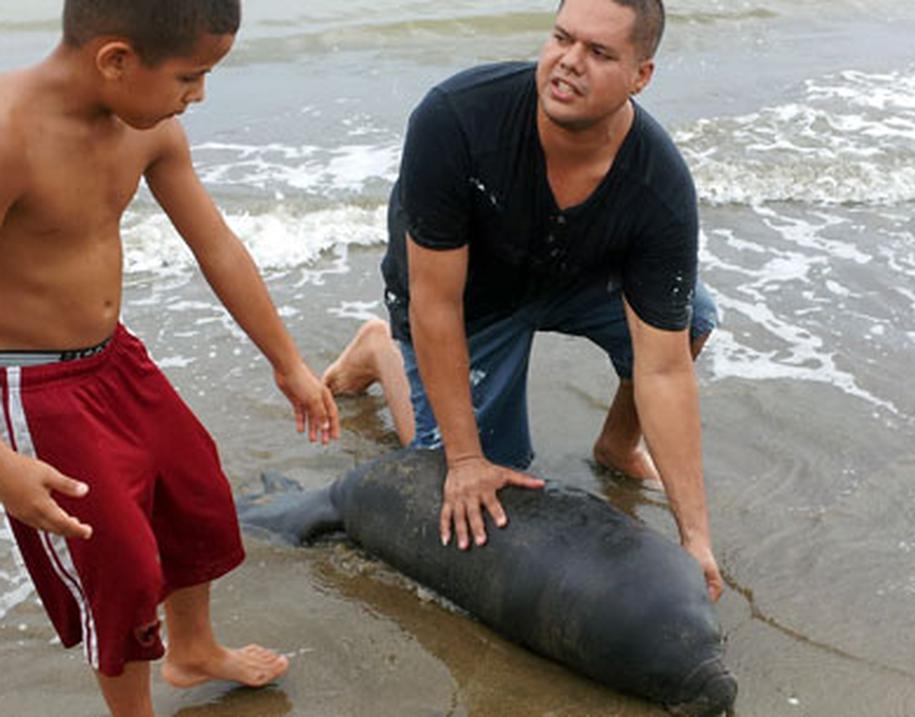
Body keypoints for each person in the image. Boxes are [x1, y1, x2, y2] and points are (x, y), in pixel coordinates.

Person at [0, 1, 340, 715]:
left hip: (113, 358)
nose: (200, 94)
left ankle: (193, 650)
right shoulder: (10, 135)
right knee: (119, 562)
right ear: (116, 59)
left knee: (197, 489)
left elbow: (216, 245)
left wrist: (288, 362)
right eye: (190, 76)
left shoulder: (145, 130)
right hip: (31, 386)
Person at [324, 0, 723, 601]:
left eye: (599, 52)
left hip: (572, 271)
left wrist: (696, 539)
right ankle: (381, 352)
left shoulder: (657, 184)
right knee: (483, 486)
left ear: (641, 75)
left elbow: (664, 367)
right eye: (562, 38)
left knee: (691, 315)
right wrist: (462, 460)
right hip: (467, 294)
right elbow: (436, 307)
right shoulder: (456, 119)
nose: (568, 62)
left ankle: (617, 444)